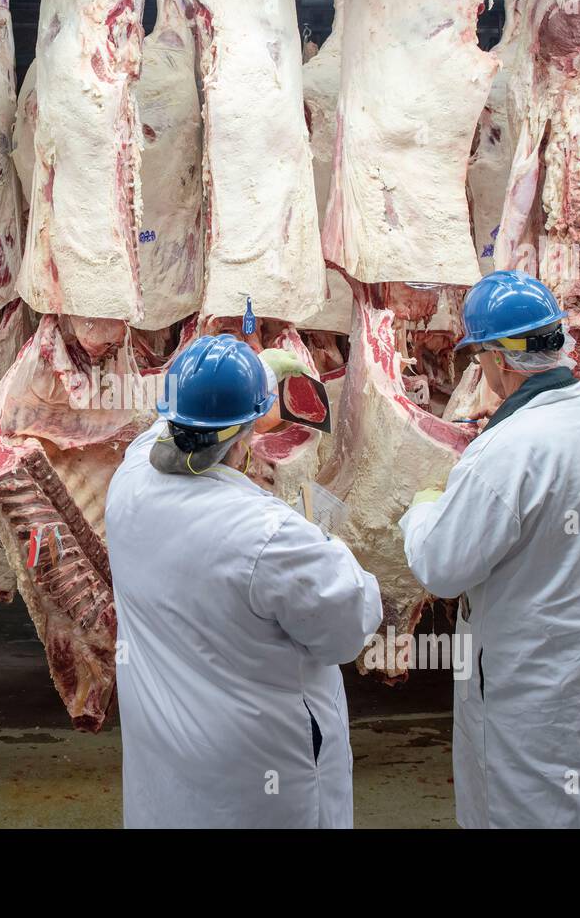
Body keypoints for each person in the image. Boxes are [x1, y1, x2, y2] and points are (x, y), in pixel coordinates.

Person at [399, 270, 580, 829]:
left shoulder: (507, 452)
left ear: (498, 360)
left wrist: (424, 505)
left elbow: (440, 565)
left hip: (540, 697)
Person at [104, 334, 383, 828]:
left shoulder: (128, 481)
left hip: (170, 763)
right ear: (253, 428)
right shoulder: (268, 535)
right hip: (260, 775)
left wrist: (252, 374)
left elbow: (161, 434)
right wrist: (326, 544)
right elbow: (349, 627)